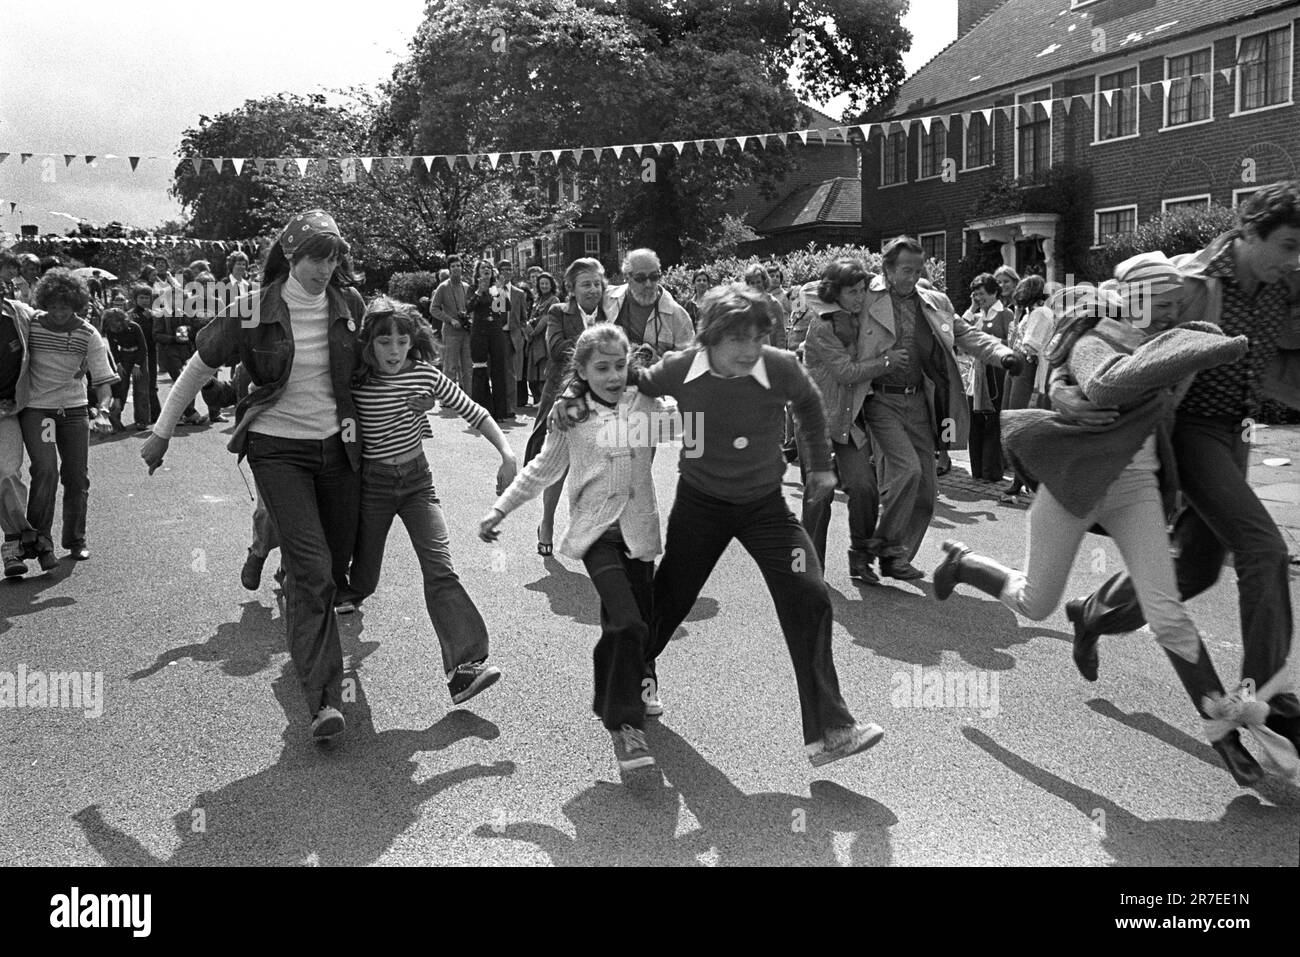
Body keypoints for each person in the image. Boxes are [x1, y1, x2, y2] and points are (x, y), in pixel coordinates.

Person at [932, 280, 1267, 785]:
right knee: (1036, 604)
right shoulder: (1097, 341)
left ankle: (1222, 732)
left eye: (1178, 303)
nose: (1171, 311)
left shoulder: (1161, 344)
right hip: (1075, 484)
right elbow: (1110, 384)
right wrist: (1206, 347)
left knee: (1167, 613)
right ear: (1129, 302)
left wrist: (1199, 343)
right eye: (1161, 300)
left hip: (1135, 490)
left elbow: (1189, 365)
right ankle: (966, 563)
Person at [572, 283, 885, 767]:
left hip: (765, 507)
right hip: (702, 505)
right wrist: (571, 399)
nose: (749, 351)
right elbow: (626, 382)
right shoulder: (682, 369)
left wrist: (819, 466)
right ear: (710, 338)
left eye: (758, 338)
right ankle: (629, 683)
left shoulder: (778, 366)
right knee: (669, 602)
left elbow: (809, 404)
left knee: (809, 592)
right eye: (737, 340)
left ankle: (829, 729)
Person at [1062, 185, 1300, 763]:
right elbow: (1102, 324)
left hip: (1234, 433)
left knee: (1193, 570)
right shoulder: (1188, 284)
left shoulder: (1281, 289)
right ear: (1248, 233)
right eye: (1288, 245)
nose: (1296, 259)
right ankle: (1264, 700)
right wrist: (1071, 390)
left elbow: (1277, 365)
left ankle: (1094, 611)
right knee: (1263, 549)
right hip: (1184, 432)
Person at [142, 209, 367, 743]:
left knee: (331, 569)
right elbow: (198, 366)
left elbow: (373, 368)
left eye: (334, 257)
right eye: (316, 256)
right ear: (291, 256)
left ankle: (298, 602)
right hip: (277, 453)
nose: (325, 267)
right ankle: (324, 702)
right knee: (315, 569)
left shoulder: (350, 305)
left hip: (340, 453)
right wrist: (161, 432)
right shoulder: (251, 310)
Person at [482, 323, 669, 775]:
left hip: (639, 534)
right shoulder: (572, 415)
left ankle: (634, 678)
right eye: (601, 367)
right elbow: (543, 468)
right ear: (581, 370)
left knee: (634, 624)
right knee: (625, 621)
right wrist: (501, 509)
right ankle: (624, 727)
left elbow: (688, 428)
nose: (612, 375)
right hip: (596, 535)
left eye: (619, 366)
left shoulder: (643, 401)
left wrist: (664, 387)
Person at [347, 297, 514, 704]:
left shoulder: (424, 375)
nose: (394, 351)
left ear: (412, 341)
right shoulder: (354, 379)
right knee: (361, 582)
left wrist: (508, 455)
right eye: (384, 341)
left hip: (418, 482)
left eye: (402, 341)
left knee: (441, 569)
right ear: (368, 342)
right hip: (374, 486)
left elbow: (474, 411)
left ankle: (464, 668)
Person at [860, 239, 1022, 579]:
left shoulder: (935, 303)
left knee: (926, 489)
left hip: (919, 400)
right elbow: (830, 321)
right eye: (907, 271)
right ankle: (879, 545)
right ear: (887, 268)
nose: (914, 277)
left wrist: (1002, 354)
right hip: (878, 398)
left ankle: (896, 557)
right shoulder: (864, 296)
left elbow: (968, 335)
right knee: (907, 472)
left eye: (919, 271)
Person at [21, 270, 117, 565]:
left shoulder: (88, 333)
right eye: (52, 306)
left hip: (74, 411)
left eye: (65, 306)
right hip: (39, 410)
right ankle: (39, 539)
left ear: (76, 304)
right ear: (44, 303)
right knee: (46, 469)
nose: (58, 313)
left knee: (76, 476)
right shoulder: (32, 326)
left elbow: (103, 382)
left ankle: (75, 539)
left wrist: (102, 411)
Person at [800, 257, 883, 583]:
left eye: (862, 290)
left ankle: (860, 560)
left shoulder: (859, 320)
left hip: (849, 423)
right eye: (853, 291)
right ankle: (808, 568)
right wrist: (887, 361)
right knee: (819, 496)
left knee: (864, 487)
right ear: (835, 292)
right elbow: (846, 373)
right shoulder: (820, 327)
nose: (860, 297)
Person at [525, 258, 606, 556]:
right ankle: (546, 523)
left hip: (598, 403)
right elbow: (556, 349)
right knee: (560, 466)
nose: (593, 290)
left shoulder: (611, 313)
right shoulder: (558, 311)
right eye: (586, 284)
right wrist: (599, 345)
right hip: (563, 396)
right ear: (571, 288)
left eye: (597, 283)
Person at [1000, 275, 1057, 503]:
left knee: (1017, 422)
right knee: (1009, 417)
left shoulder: (1040, 313)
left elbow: (1030, 346)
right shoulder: (1028, 313)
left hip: (1025, 368)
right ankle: (1020, 477)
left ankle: (1020, 479)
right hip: (1017, 365)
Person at [961, 273, 1014, 484]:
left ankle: (991, 470)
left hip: (996, 374)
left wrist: (985, 341)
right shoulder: (976, 315)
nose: (978, 298)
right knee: (975, 421)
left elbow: (1011, 343)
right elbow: (959, 334)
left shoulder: (1005, 314)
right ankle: (978, 469)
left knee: (993, 421)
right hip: (976, 374)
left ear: (994, 292)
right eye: (975, 294)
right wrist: (972, 309)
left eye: (981, 294)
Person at [0, 294, 37, 577]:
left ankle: (15, 541)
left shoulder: (19, 314)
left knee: (8, 472)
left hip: (11, 408)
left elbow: (59, 325)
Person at [604, 249, 694, 360]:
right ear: (627, 278)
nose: (648, 284)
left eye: (654, 277)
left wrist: (658, 363)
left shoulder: (678, 316)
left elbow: (687, 363)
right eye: (640, 278)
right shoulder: (607, 298)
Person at [466, 260, 512, 421]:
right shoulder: (473, 288)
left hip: (495, 332)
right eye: (482, 268)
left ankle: (499, 412)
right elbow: (468, 308)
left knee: (498, 370)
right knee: (480, 369)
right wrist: (479, 291)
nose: (486, 270)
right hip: (479, 332)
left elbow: (503, 308)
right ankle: (481, 410)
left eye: (488, 268)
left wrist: (499, 290)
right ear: (477, 271)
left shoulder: (495, 288)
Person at [101, 307, 149, 432]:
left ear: (121, 321)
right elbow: (113, 348)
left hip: (139, 356)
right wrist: (118, 364)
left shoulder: (134, 327)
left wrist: (137, 365)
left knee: (141, 389)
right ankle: (115, 419)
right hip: (124, 357)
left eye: (115, 323)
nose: (113, 327)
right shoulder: (110, 331)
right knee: (122, 387)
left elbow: (143, 348)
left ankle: (141, 420)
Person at [430, 255, 471, 397]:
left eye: (458, 265)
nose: (456, 268)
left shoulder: (467, 287)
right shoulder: (443, 287)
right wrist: (449, 320)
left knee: (467, 366)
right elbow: (433, 309)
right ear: (449, 269)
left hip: (466, 332)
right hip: (451, 332)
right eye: (453, 266)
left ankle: (468, 396)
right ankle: (448, 397)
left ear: (462, 268)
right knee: (450, 366)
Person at [126, 283, 162, 428]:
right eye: (141, 297)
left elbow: (158, 331)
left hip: (151, 352)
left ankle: (156, 414)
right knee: (139, 385)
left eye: (147, 297)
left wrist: (152, 318)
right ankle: (142, 417)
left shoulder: (154, 313)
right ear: (135, 299)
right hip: (135, 353)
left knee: (152, 384)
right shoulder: (130, 314)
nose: (144, 300)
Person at [497, 260, 530, 412]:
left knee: (514, 373)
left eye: (509, 270)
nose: (507, 272)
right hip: (498, 335)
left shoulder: (519, 293)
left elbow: (524, 317)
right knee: (499, 372)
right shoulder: (494, 291)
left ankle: (511, 407)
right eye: (503, 270)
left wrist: (522, 332)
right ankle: (500, 404)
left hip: (515, 336)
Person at [523, 272, 558, 405]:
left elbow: (548, 318)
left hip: (545, 338)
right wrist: (528, 328)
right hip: (534, 339)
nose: (544, 286)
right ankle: (538, 399)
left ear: (551, 285)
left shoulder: (554, 300)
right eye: (541, 283)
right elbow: (530, 317)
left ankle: (546, 400)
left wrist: (534, 330)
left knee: (544, 371)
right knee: (533, 373)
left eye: (546, 283)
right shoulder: (537, 300)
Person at [742, 263, 788, 350]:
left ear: (764, 282)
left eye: (758, 282)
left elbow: (780, 333)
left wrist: (780, 354)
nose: (755, 285)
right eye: (752, 283)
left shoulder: (773, 303)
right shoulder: (745, 303)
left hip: (769, 351)